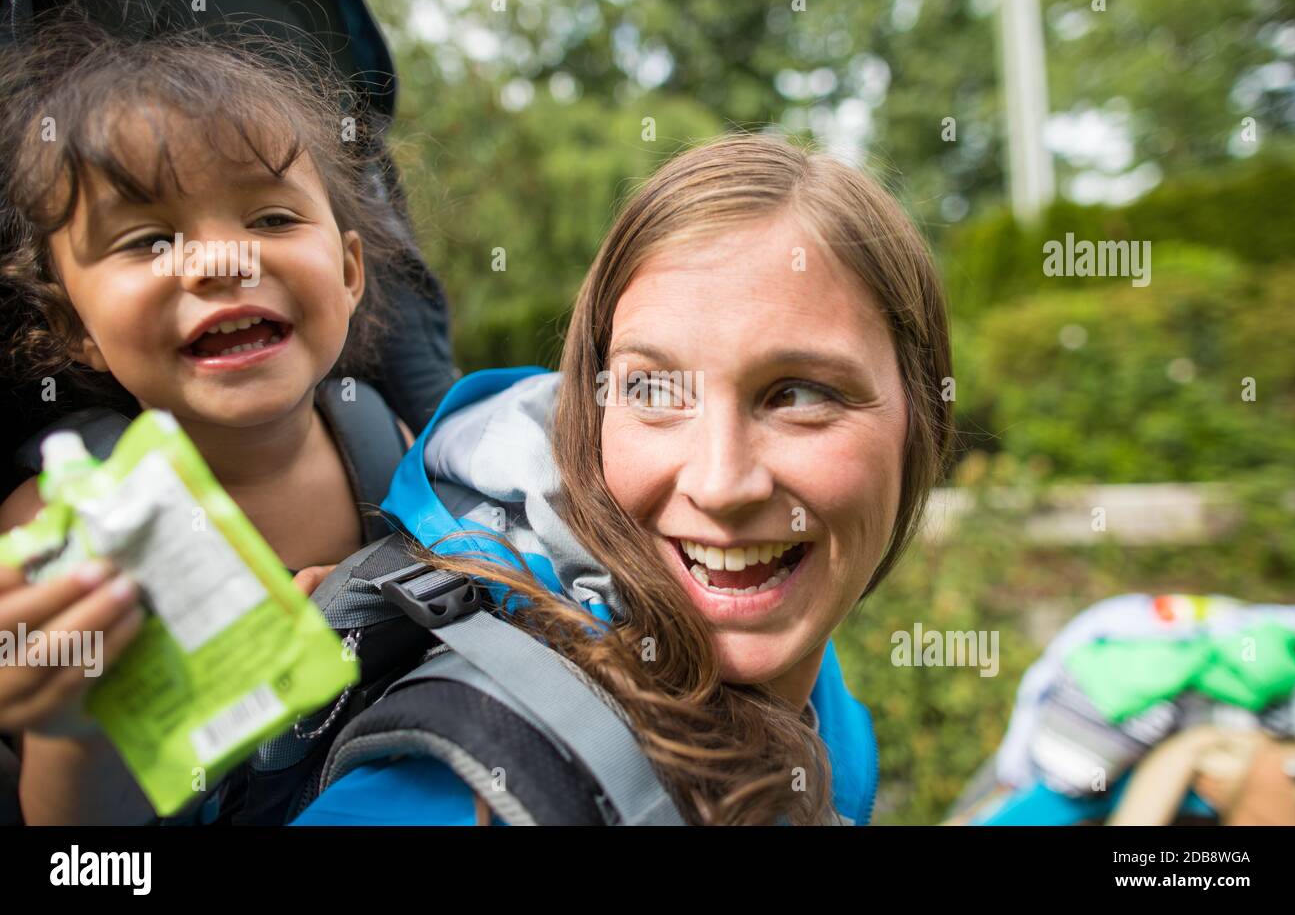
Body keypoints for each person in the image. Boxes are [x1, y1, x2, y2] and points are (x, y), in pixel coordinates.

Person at [297, 133, 955, 825]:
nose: (722, 484)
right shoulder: (471, 782)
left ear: (923, 420)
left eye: (798, 396)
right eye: (656, 388)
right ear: (590, 419)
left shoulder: (829, 716)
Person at [0, 12, 411, 823]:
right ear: (77, 330)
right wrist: (64, 732)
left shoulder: (385, 441)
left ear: (351, 271)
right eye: (150, 240)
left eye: (270, 219)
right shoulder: (58, 528)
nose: (224, 261)